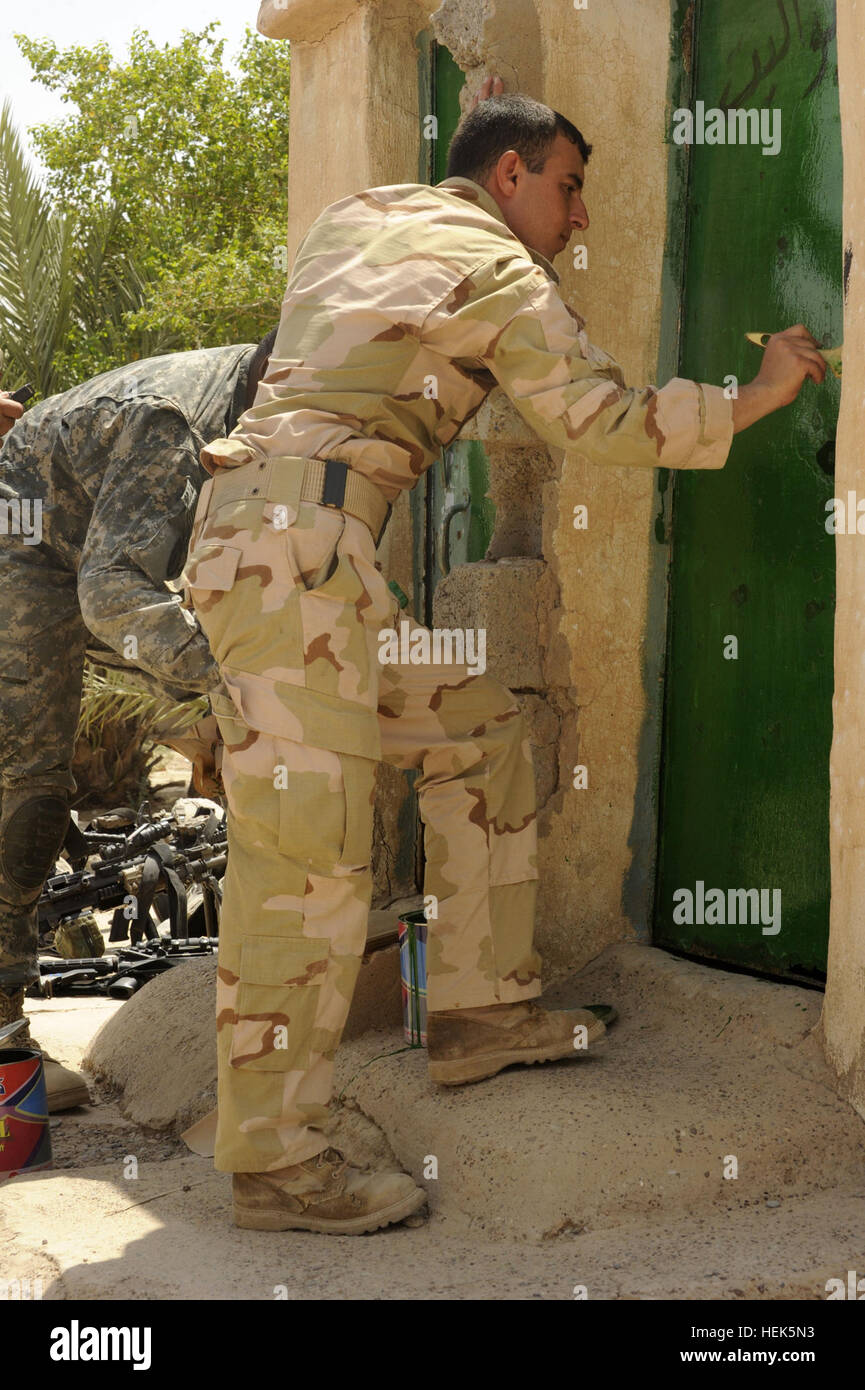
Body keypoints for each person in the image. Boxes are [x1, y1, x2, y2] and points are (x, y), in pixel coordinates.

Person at [182, 82, 828, 1237]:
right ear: (510, 177)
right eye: (569, 186)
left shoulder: (359, 216)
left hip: (294, 558)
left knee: (476, 722)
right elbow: (597, 415)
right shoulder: (493, 266)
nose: (579, 218)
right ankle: (276, 1165)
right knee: (309, 866)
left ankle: (478, 1015)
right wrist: (758, 395)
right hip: (301, 567)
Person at [0, 332, 276, 1109]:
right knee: (29, 791)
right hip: (26, 539)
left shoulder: (276, 407)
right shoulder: (173, 424)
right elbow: (114, 591)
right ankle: (1, 1040)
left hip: (81, 548)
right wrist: (235, 685)